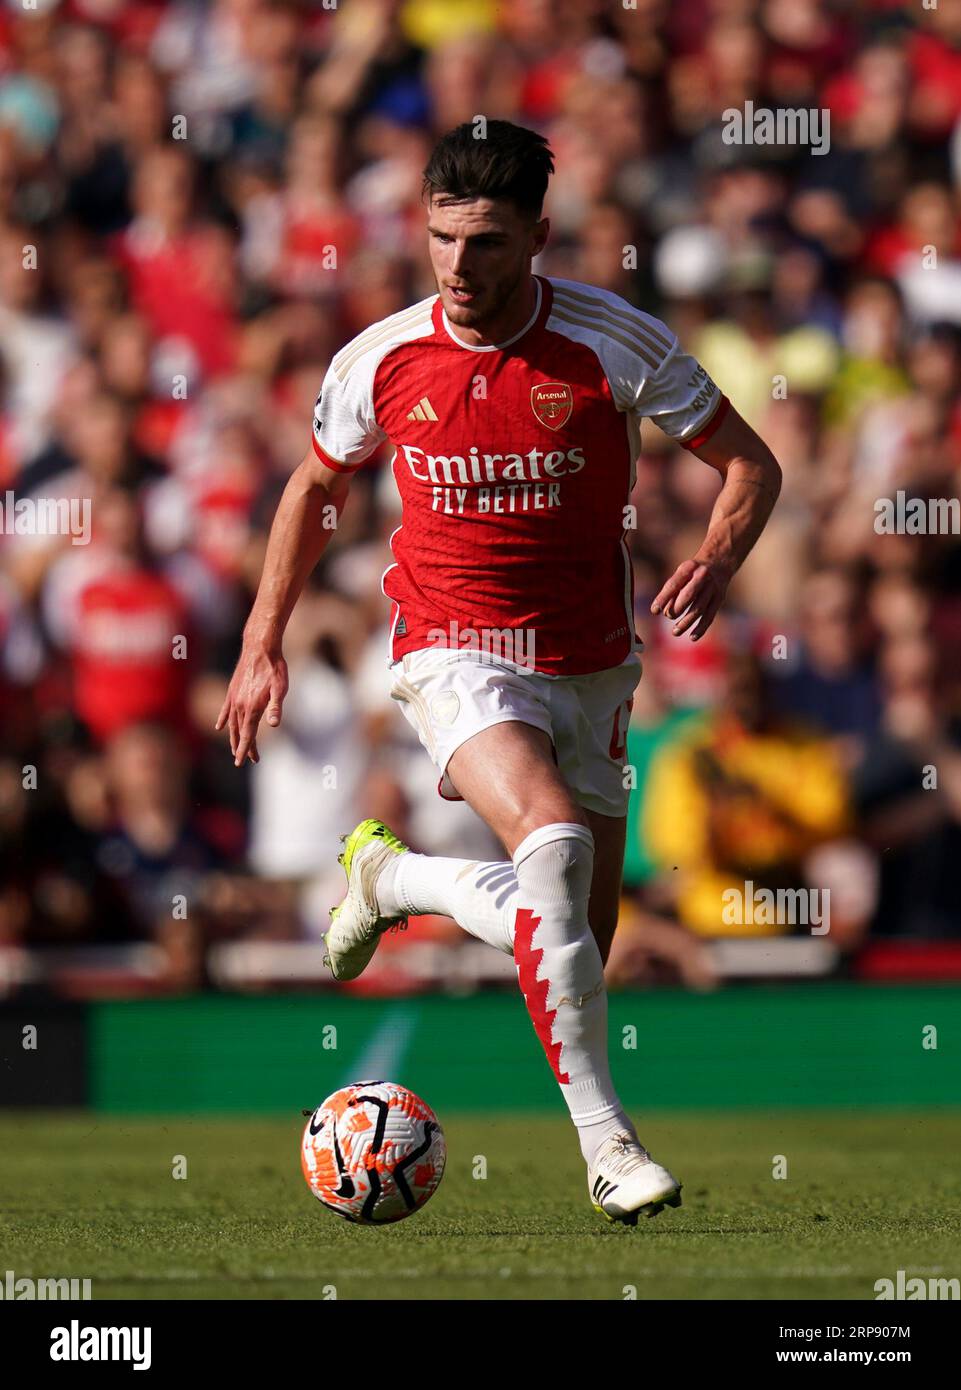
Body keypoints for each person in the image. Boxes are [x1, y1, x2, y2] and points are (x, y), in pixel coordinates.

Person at [217, 120, 782, 1225]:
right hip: (451, 648)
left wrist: (715, 557)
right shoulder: (380, 358)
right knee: (552, 850)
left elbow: (749, 464)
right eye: (440, 238)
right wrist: (258, 636)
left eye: (484, 242)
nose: (457, 268)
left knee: (575, 937)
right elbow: (315, 490)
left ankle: (394, 881)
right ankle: (609, 1148)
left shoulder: (613, 344)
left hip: (591, 667)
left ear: (538, 235)